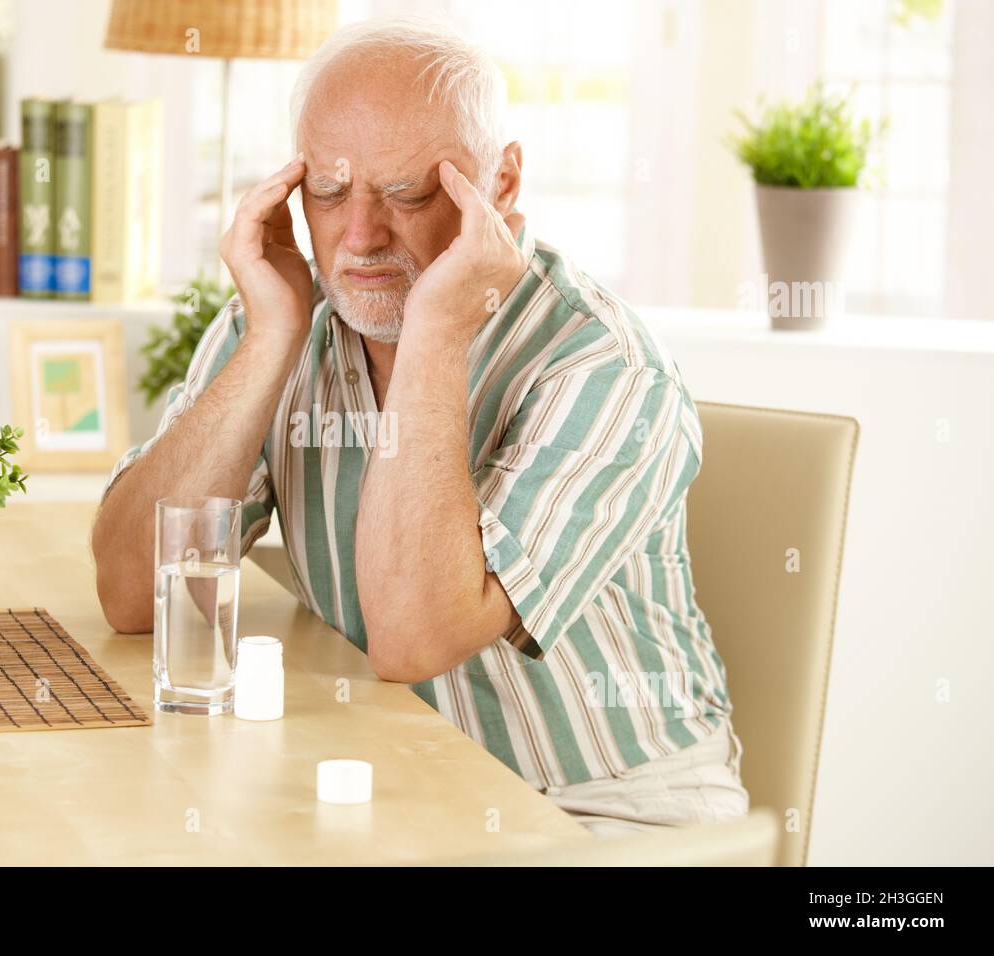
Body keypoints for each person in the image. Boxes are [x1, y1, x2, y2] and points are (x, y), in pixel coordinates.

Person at [91, 17, 748, 836]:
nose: (360, 237)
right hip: (400, 777)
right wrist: (267, 341)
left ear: (502, 183)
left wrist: (438, 330)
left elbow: (414, 636)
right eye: (328, 193)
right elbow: (131, 590)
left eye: (408, 193)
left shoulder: (603, 366)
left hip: (602, 808)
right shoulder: (286, 318)